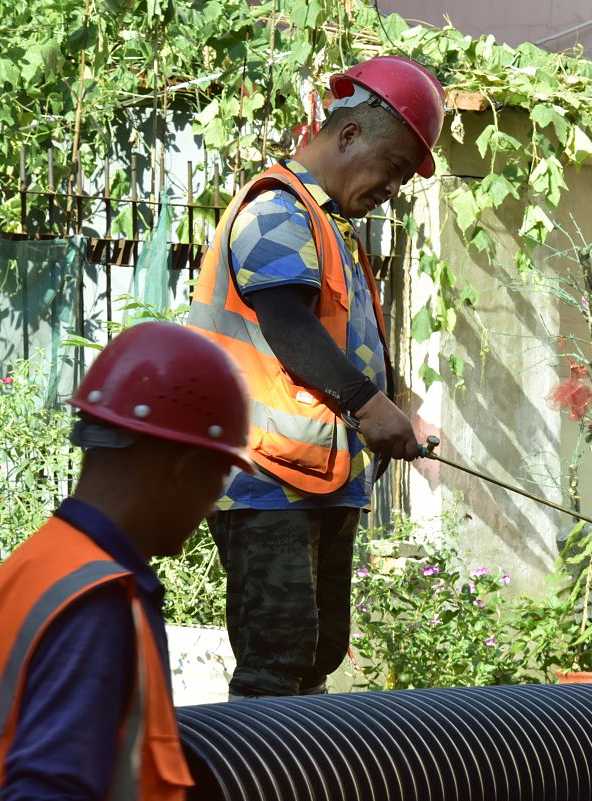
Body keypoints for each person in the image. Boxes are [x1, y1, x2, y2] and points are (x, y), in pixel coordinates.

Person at [187, 55, 445, 698]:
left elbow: (332, 344)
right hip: (266, 474)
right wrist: (369, 405)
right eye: (392, 167)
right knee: (277, 660)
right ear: (350, 134)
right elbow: (286, 323)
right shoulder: (278, 208)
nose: (393, 188)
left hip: (315, 475)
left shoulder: (329, 225)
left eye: (403, 178)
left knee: (317, 655)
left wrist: (391, 409)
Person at [0, 321, 253, 801]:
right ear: (185, 469)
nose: (213, 507)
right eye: (218, 481)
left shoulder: (41, 562)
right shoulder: (98, 601)